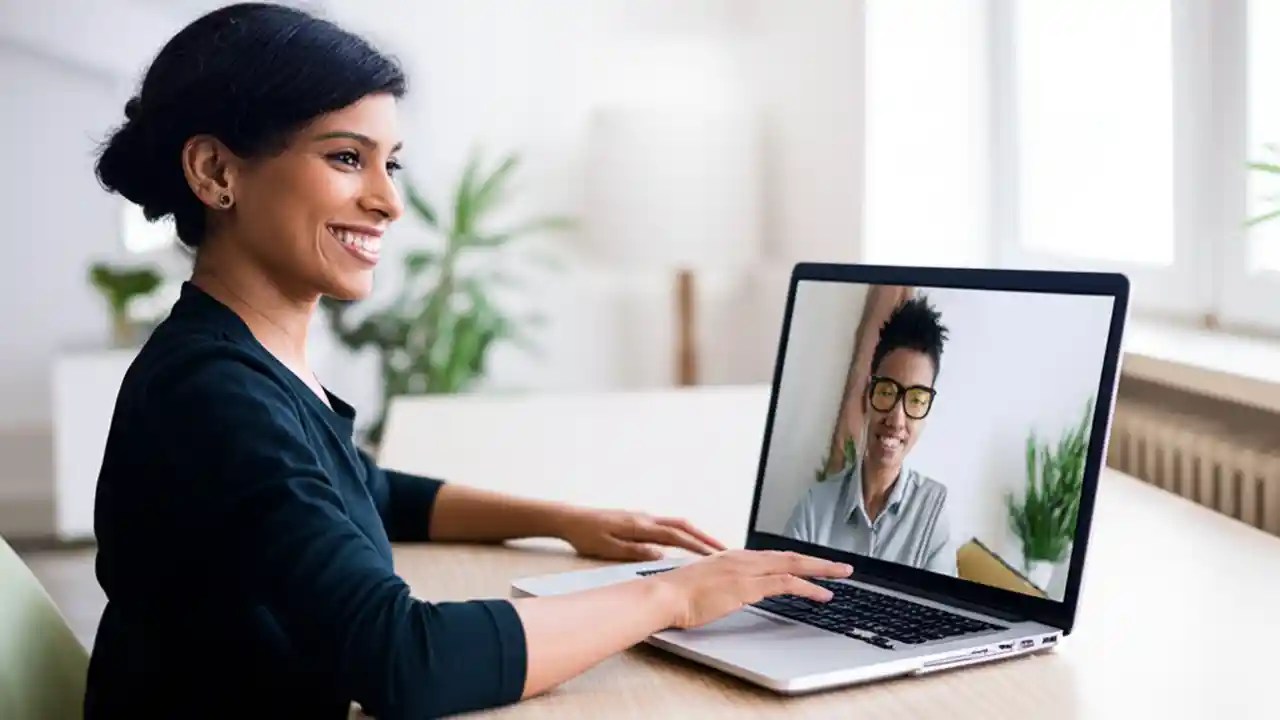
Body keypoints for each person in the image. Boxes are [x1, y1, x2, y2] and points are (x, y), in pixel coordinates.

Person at [85, 4, 852, 718]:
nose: (389, 202)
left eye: (394, 164)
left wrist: (566, 521)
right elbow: (402, 661)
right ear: (217, 173)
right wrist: (671, 598)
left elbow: (365, 489)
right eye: (348, 158)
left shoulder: (240, 361)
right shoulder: (210, 394)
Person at [784, 295, 954, 576]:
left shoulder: (933, 508)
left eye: (916, 400)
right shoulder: (815, 507)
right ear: (867, 395)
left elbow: (944, 611)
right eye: (887, 392)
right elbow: (783, 595)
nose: (897, 419)